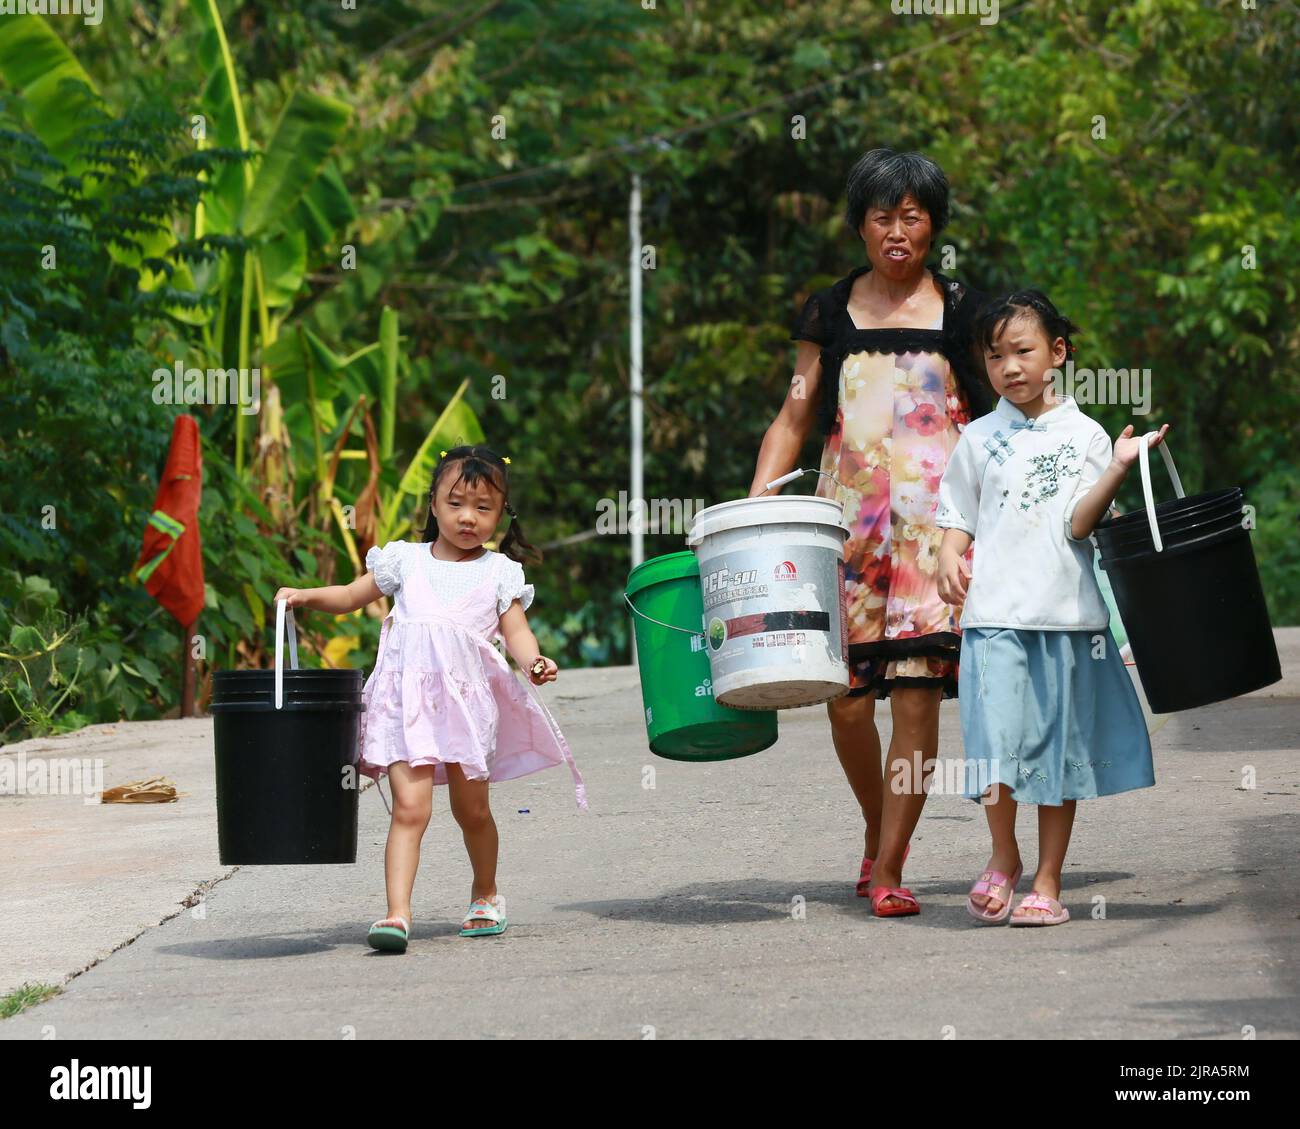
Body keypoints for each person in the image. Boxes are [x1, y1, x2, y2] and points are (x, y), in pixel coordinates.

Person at [750, 148, 993, 916]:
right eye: (883, 215)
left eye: (912, 215)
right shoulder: (829, 312)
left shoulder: (964, 310)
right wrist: (756, 504)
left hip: (936, 539)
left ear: (933, 225)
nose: (898, 230)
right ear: (860, 224)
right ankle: (875, 825)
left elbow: (998, 422)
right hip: (844, 537)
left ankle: (890, 862)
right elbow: (796, 410)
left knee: (918, 695)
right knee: (848, 700)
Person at [274, 445, 586, 952]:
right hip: (404, 707)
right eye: (456, 503)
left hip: (465, 711)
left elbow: (517, 634)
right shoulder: (404, 561)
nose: (468, 518)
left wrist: (534, 662)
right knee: (409, 810)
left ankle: (485, 894)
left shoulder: (498, 572)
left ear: (501, 515)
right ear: (434, 505)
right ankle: (397, 913)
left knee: (473, 813)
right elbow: (351, 596)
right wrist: (305, 596)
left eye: (483, 508)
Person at [935, 290, 1160, 926]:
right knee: (994, 747)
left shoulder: (1085, 434)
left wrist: (1115, 467)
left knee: (1056, 758)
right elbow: (958, 515)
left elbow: (1080, 524)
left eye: (1024, 351)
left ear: (1057, 353)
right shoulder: (977, 438)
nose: (1010, 367)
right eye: (996, 356)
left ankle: (1049, 879)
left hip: (1066, 621)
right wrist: (952, 554)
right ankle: (1002, 857)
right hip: (994, 618)